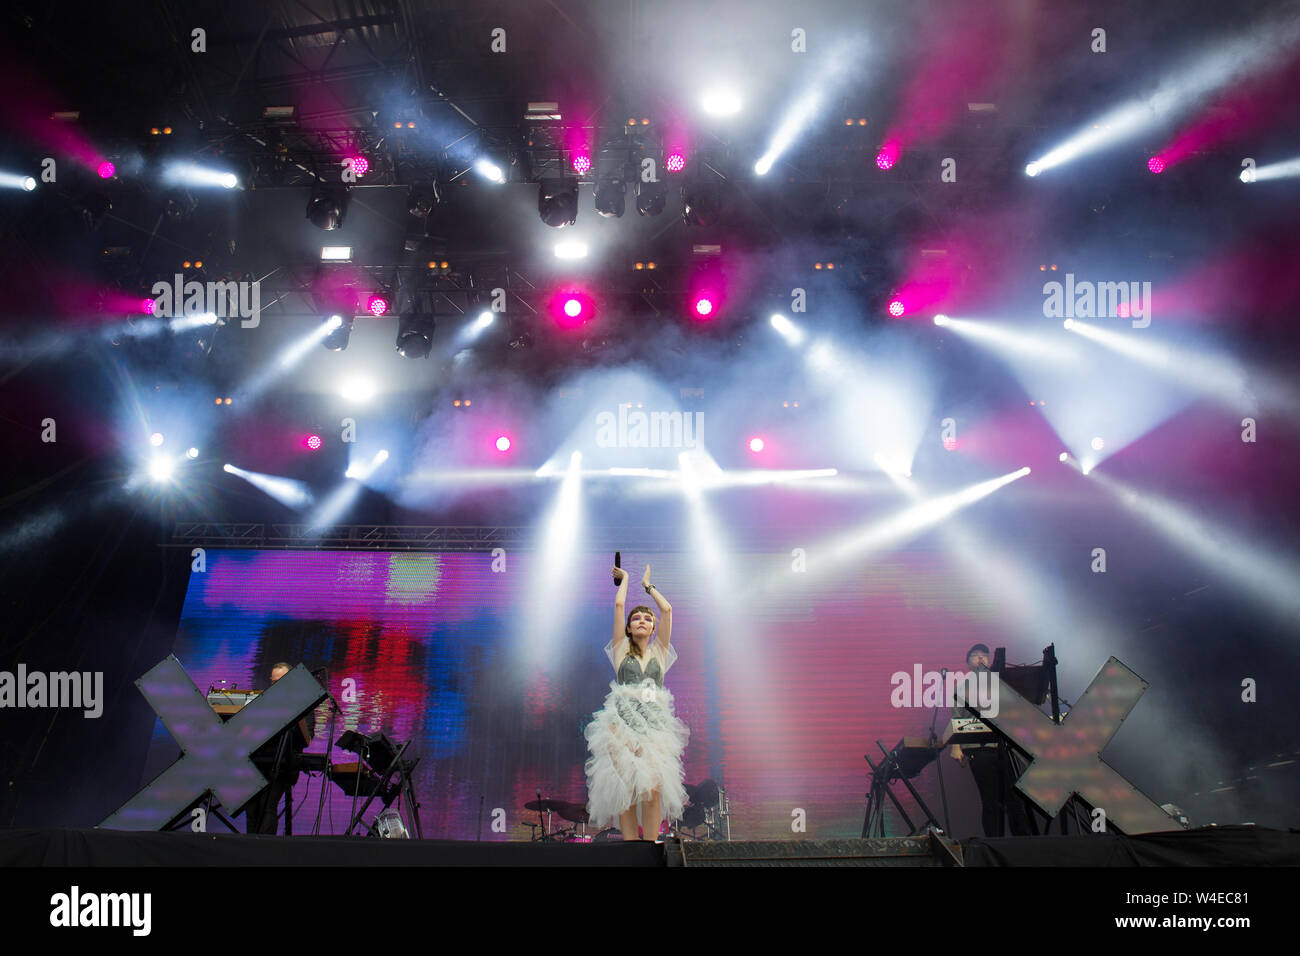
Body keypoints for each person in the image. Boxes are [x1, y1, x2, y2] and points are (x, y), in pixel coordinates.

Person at [584, 564, 689, 841]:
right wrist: (626, 579)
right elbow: (619, 605)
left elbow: (667, 611)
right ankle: (631, 849)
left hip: (653, 729)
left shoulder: (659, 652)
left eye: (647, 618)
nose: (642, 620)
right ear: (629, 628)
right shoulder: (620, 650)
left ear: (653, 627)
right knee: (626, 790)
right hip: (623, 726)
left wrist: (648, 587)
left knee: (652, 790)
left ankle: (651, 845)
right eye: (637, 618)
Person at [947, 644, 1033, 837]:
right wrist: (955, 747)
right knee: (991, 800)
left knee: (1016, 798)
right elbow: (956, 717)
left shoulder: (1000, 684)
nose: (981, 659)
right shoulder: (963, 687)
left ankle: (1025, 843)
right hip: (979, 749)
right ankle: (994, 844)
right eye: (976, 656)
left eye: (984, 656)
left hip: (1005, 748)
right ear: (968, 662)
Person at [243, 662, 313, 835]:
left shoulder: (304, 703)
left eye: (282, 680)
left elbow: (307, 740)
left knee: (268, 806)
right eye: (274, 682)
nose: (277, 685)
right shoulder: (261, 704)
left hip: (283, 764)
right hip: (258, 762)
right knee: (251, 808)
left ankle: (263, 852)